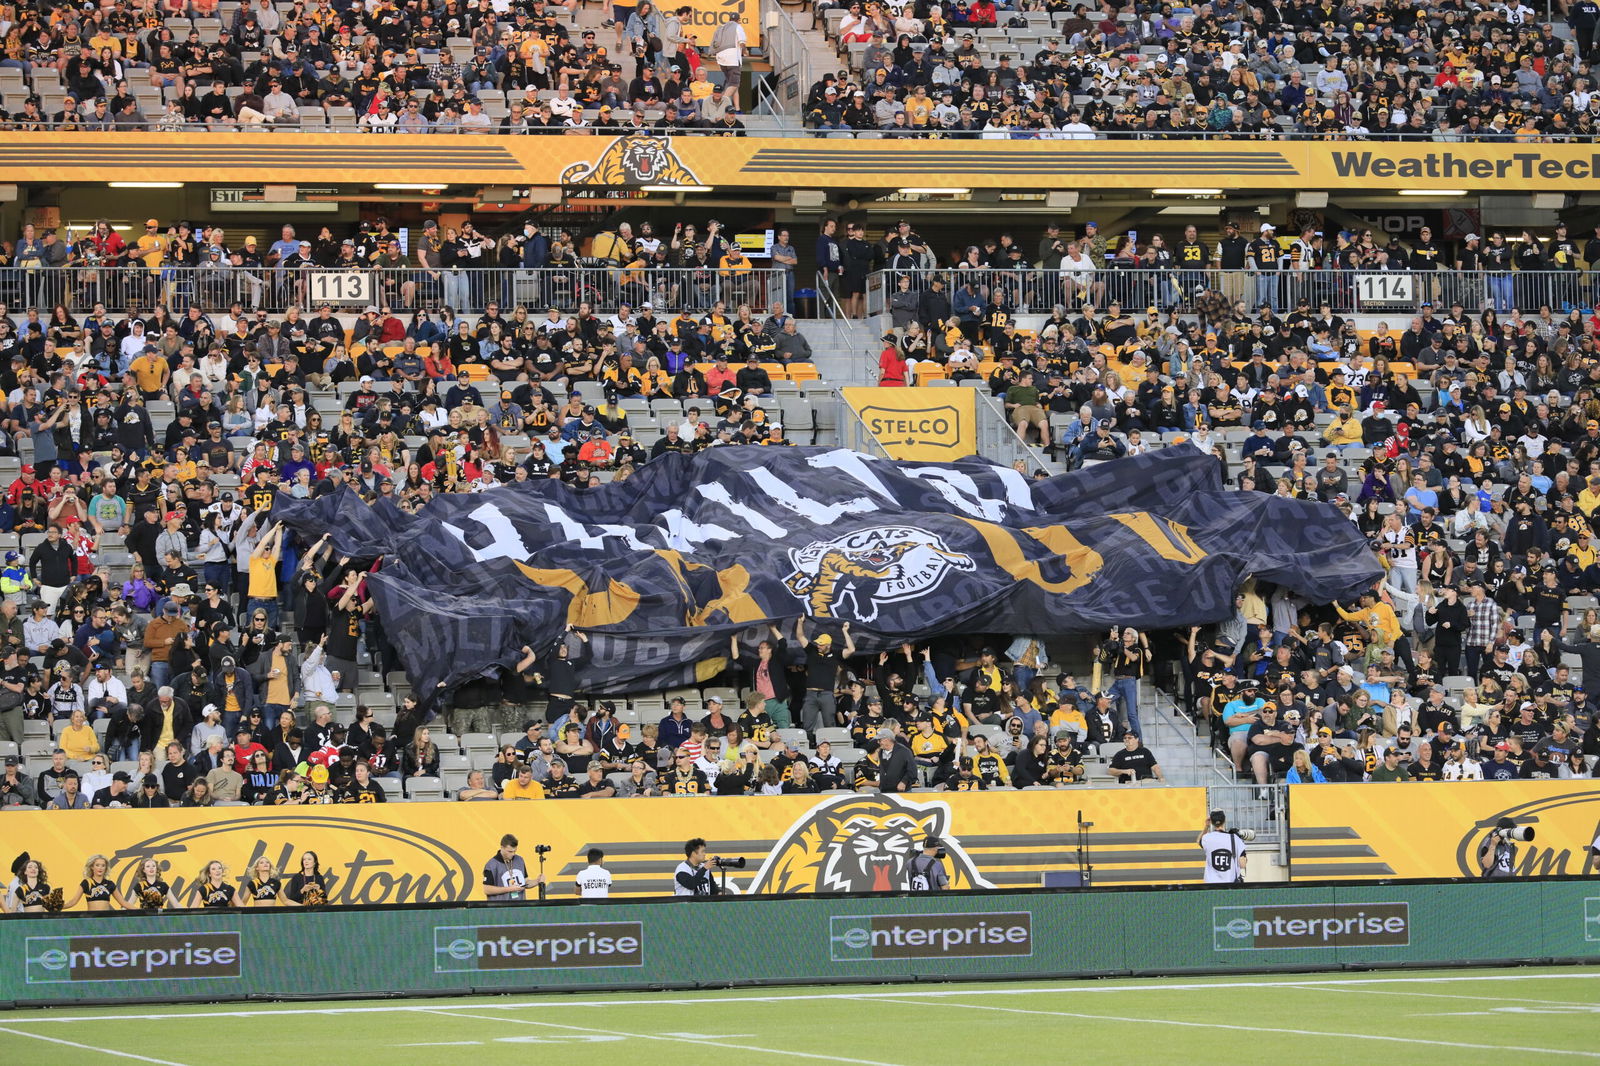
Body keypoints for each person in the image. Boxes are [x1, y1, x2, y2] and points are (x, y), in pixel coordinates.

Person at [483, 833, 540, 900]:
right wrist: (509, 889)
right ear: (502, 847)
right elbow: (487, 889)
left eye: (514, 851)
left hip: (520, 907)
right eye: (510, 851)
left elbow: (526, 882)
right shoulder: (491, 865)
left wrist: (537, 881)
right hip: (501, 909)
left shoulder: (519, 860)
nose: (513, 854)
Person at [1197, 810, 1247, 885]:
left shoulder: (1206, 838)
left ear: (1212, 822)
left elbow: (1198, 840)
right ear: (1224, 820)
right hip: (1230, 885)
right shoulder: (1235, 839)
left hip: (1211, 885)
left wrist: (1206, 826)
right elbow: (1242, 864)